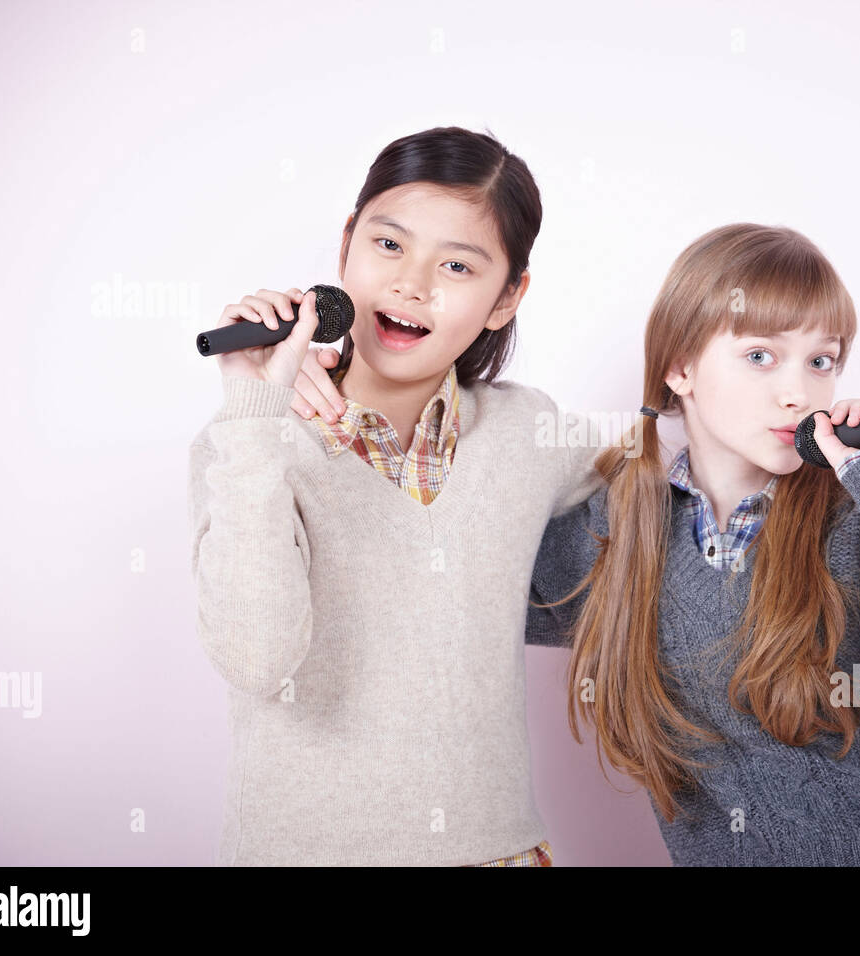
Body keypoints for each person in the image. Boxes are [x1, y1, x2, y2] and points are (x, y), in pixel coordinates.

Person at [524, 222, 860, 865]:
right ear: (681, 367)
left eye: (821, 361)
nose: (799, 393)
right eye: (761, 355)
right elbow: (449, 594)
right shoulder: (617, 530)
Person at [187, 126, 602, 866]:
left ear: (507, 298)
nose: (412, 283)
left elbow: (664, 466)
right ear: (346, 242)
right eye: (388, 246)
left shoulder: (527, 431)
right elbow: (255, 659)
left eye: (456, 265)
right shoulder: (248, 444)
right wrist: (254, 408)